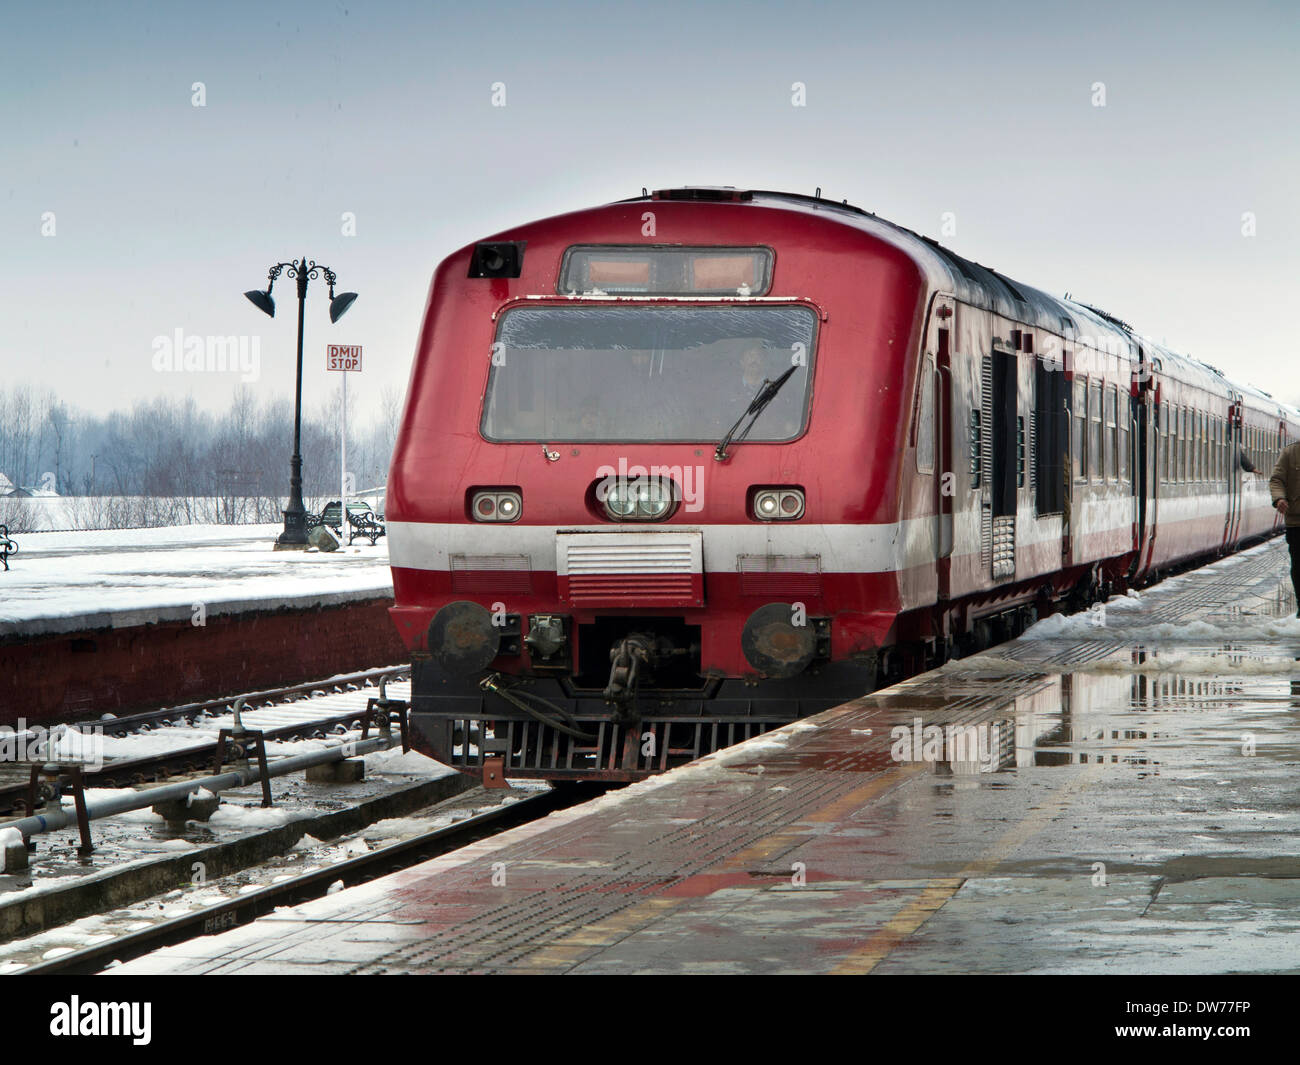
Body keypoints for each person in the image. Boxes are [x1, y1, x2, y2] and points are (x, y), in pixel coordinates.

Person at [1268, 439, 1300, 615]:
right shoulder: (1290, 453)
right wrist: (1279, 498)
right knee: (1299, 566)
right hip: (1296, 521)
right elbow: (1277, 480)